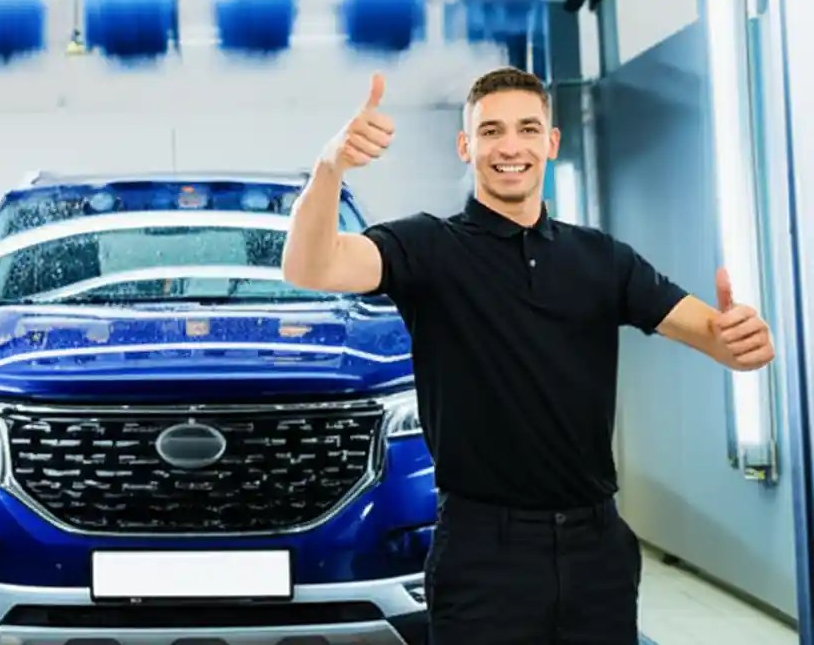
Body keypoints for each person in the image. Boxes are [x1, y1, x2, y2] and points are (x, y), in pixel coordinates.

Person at [280, 67, 776, 644]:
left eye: (526, 129)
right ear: (466, 146)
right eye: (490, 132)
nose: (509, 146)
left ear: (551, 142)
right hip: (483, 553)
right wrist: (329, 168)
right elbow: (309, 266)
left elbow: (713, 336)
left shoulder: (603, 259)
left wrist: (741, 340)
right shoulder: (428, 247)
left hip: (599, 551)